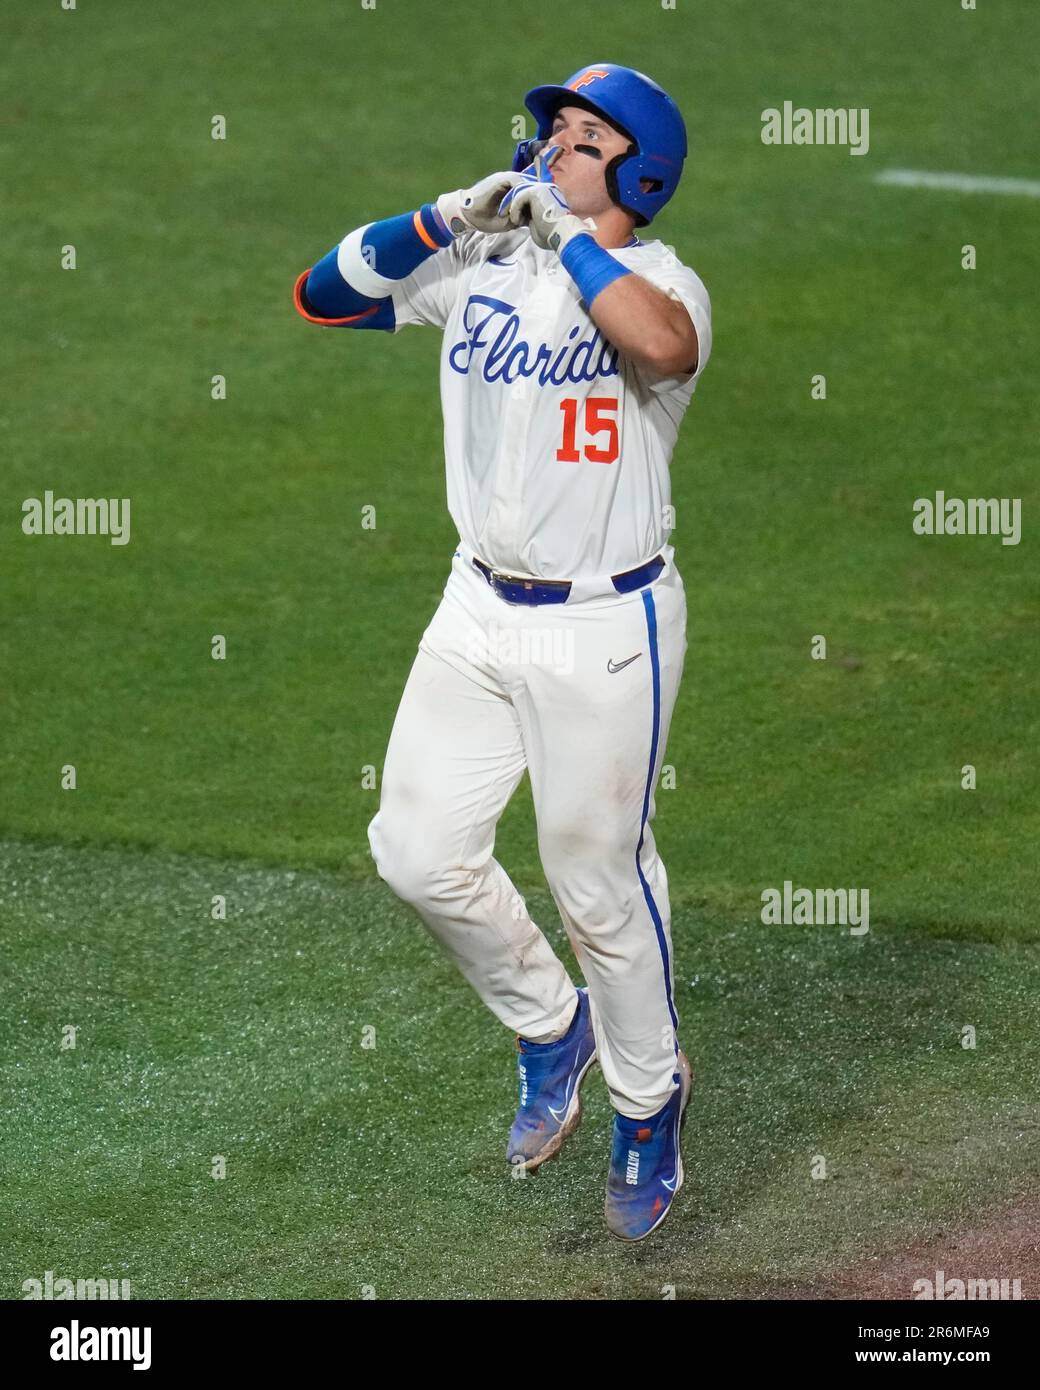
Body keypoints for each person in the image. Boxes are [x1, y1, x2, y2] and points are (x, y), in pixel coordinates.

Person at [293, 63, 712, 1241]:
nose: (551, 152)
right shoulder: (481, 263)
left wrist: (564, 239)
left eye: (582, 139)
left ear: (638, 173)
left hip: (604, 624)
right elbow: (320, 296)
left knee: (597, 882)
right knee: (415, 849)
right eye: (550, 133)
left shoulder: (656, 278)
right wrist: (444, 219)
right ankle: (549, 1025)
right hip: (474, 608)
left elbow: (660, 348)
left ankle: (647, 1101)